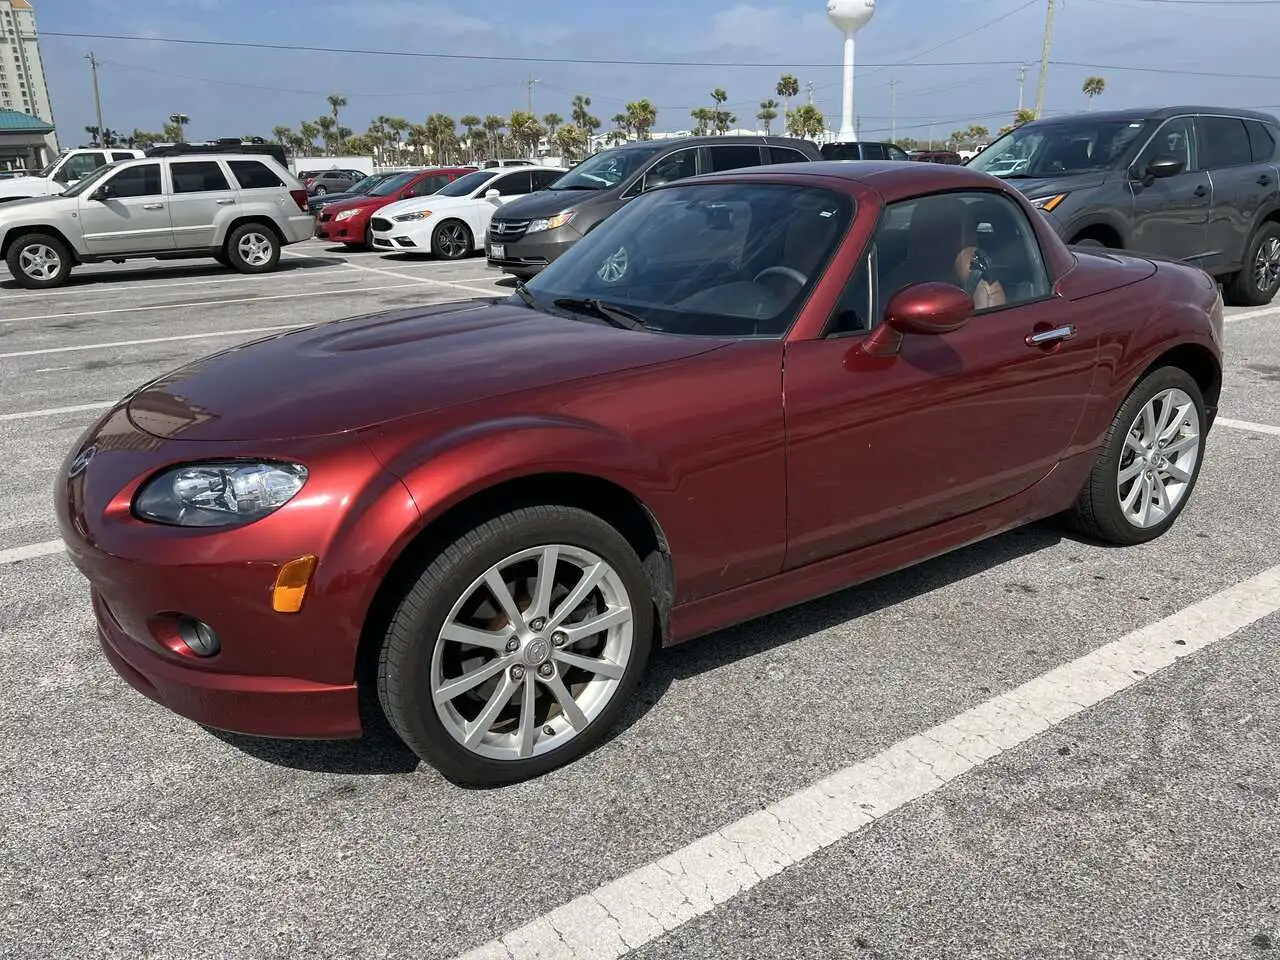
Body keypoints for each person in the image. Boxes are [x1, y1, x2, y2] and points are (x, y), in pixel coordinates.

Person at [884, 195, 1006, 310]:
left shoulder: (977, 282)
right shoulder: (900, 277)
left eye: (933, 235)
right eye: (918, 232)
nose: (922, 242)